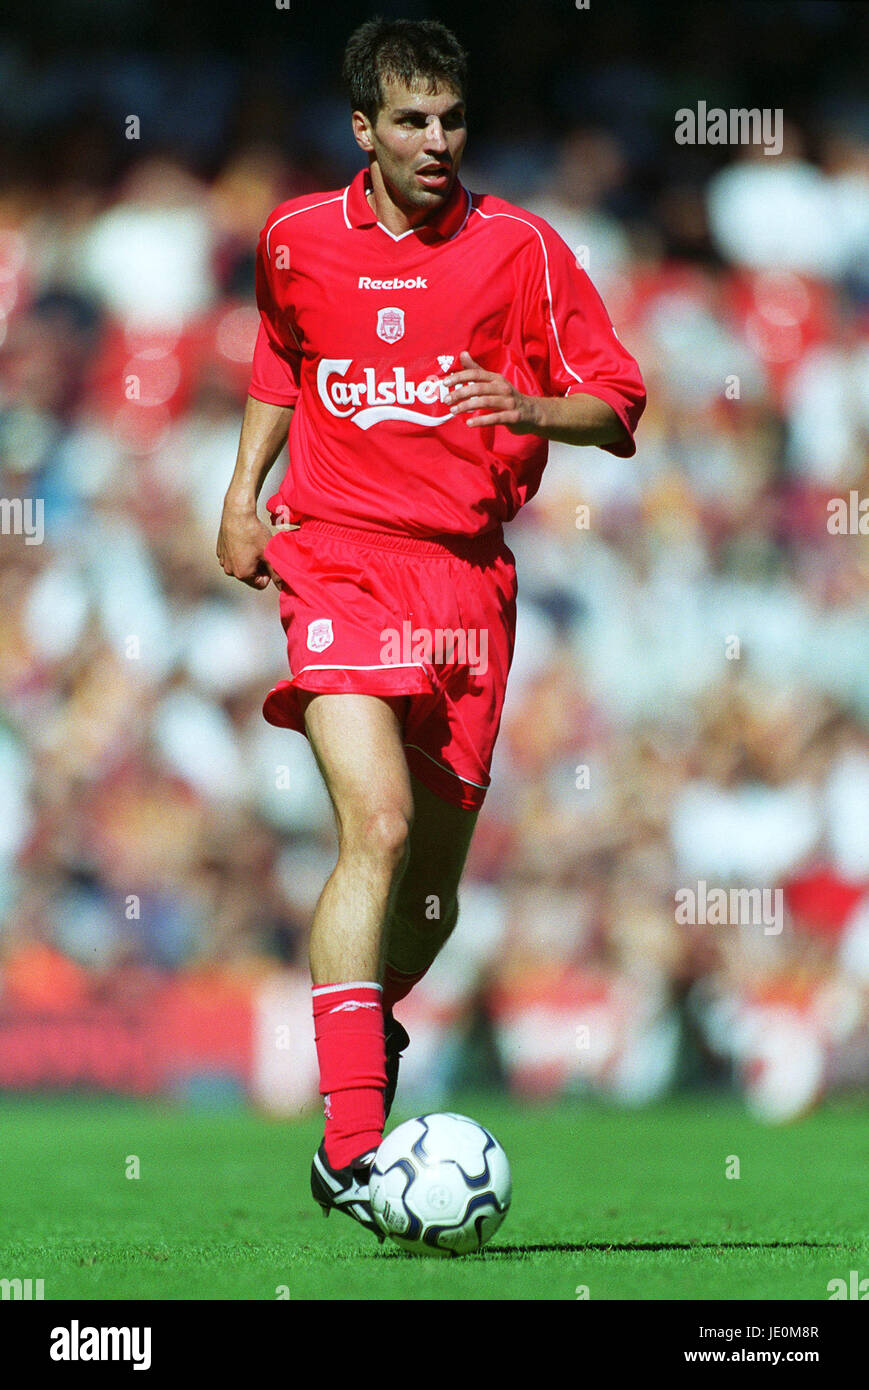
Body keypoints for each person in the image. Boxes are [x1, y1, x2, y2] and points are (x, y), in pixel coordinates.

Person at [217, 17, 645, 1238]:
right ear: (363, 128)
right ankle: (355, 1143)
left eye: (452, 119)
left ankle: (368, 1027)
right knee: (379, 821)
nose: (437, 141)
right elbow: (282, 354)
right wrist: (241, 495)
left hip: (465, 585)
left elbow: (617, 405)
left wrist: (530, 405)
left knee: (431, 897)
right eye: (411, 120)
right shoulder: (296, 236)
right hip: (335, 560)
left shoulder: (521, 249)